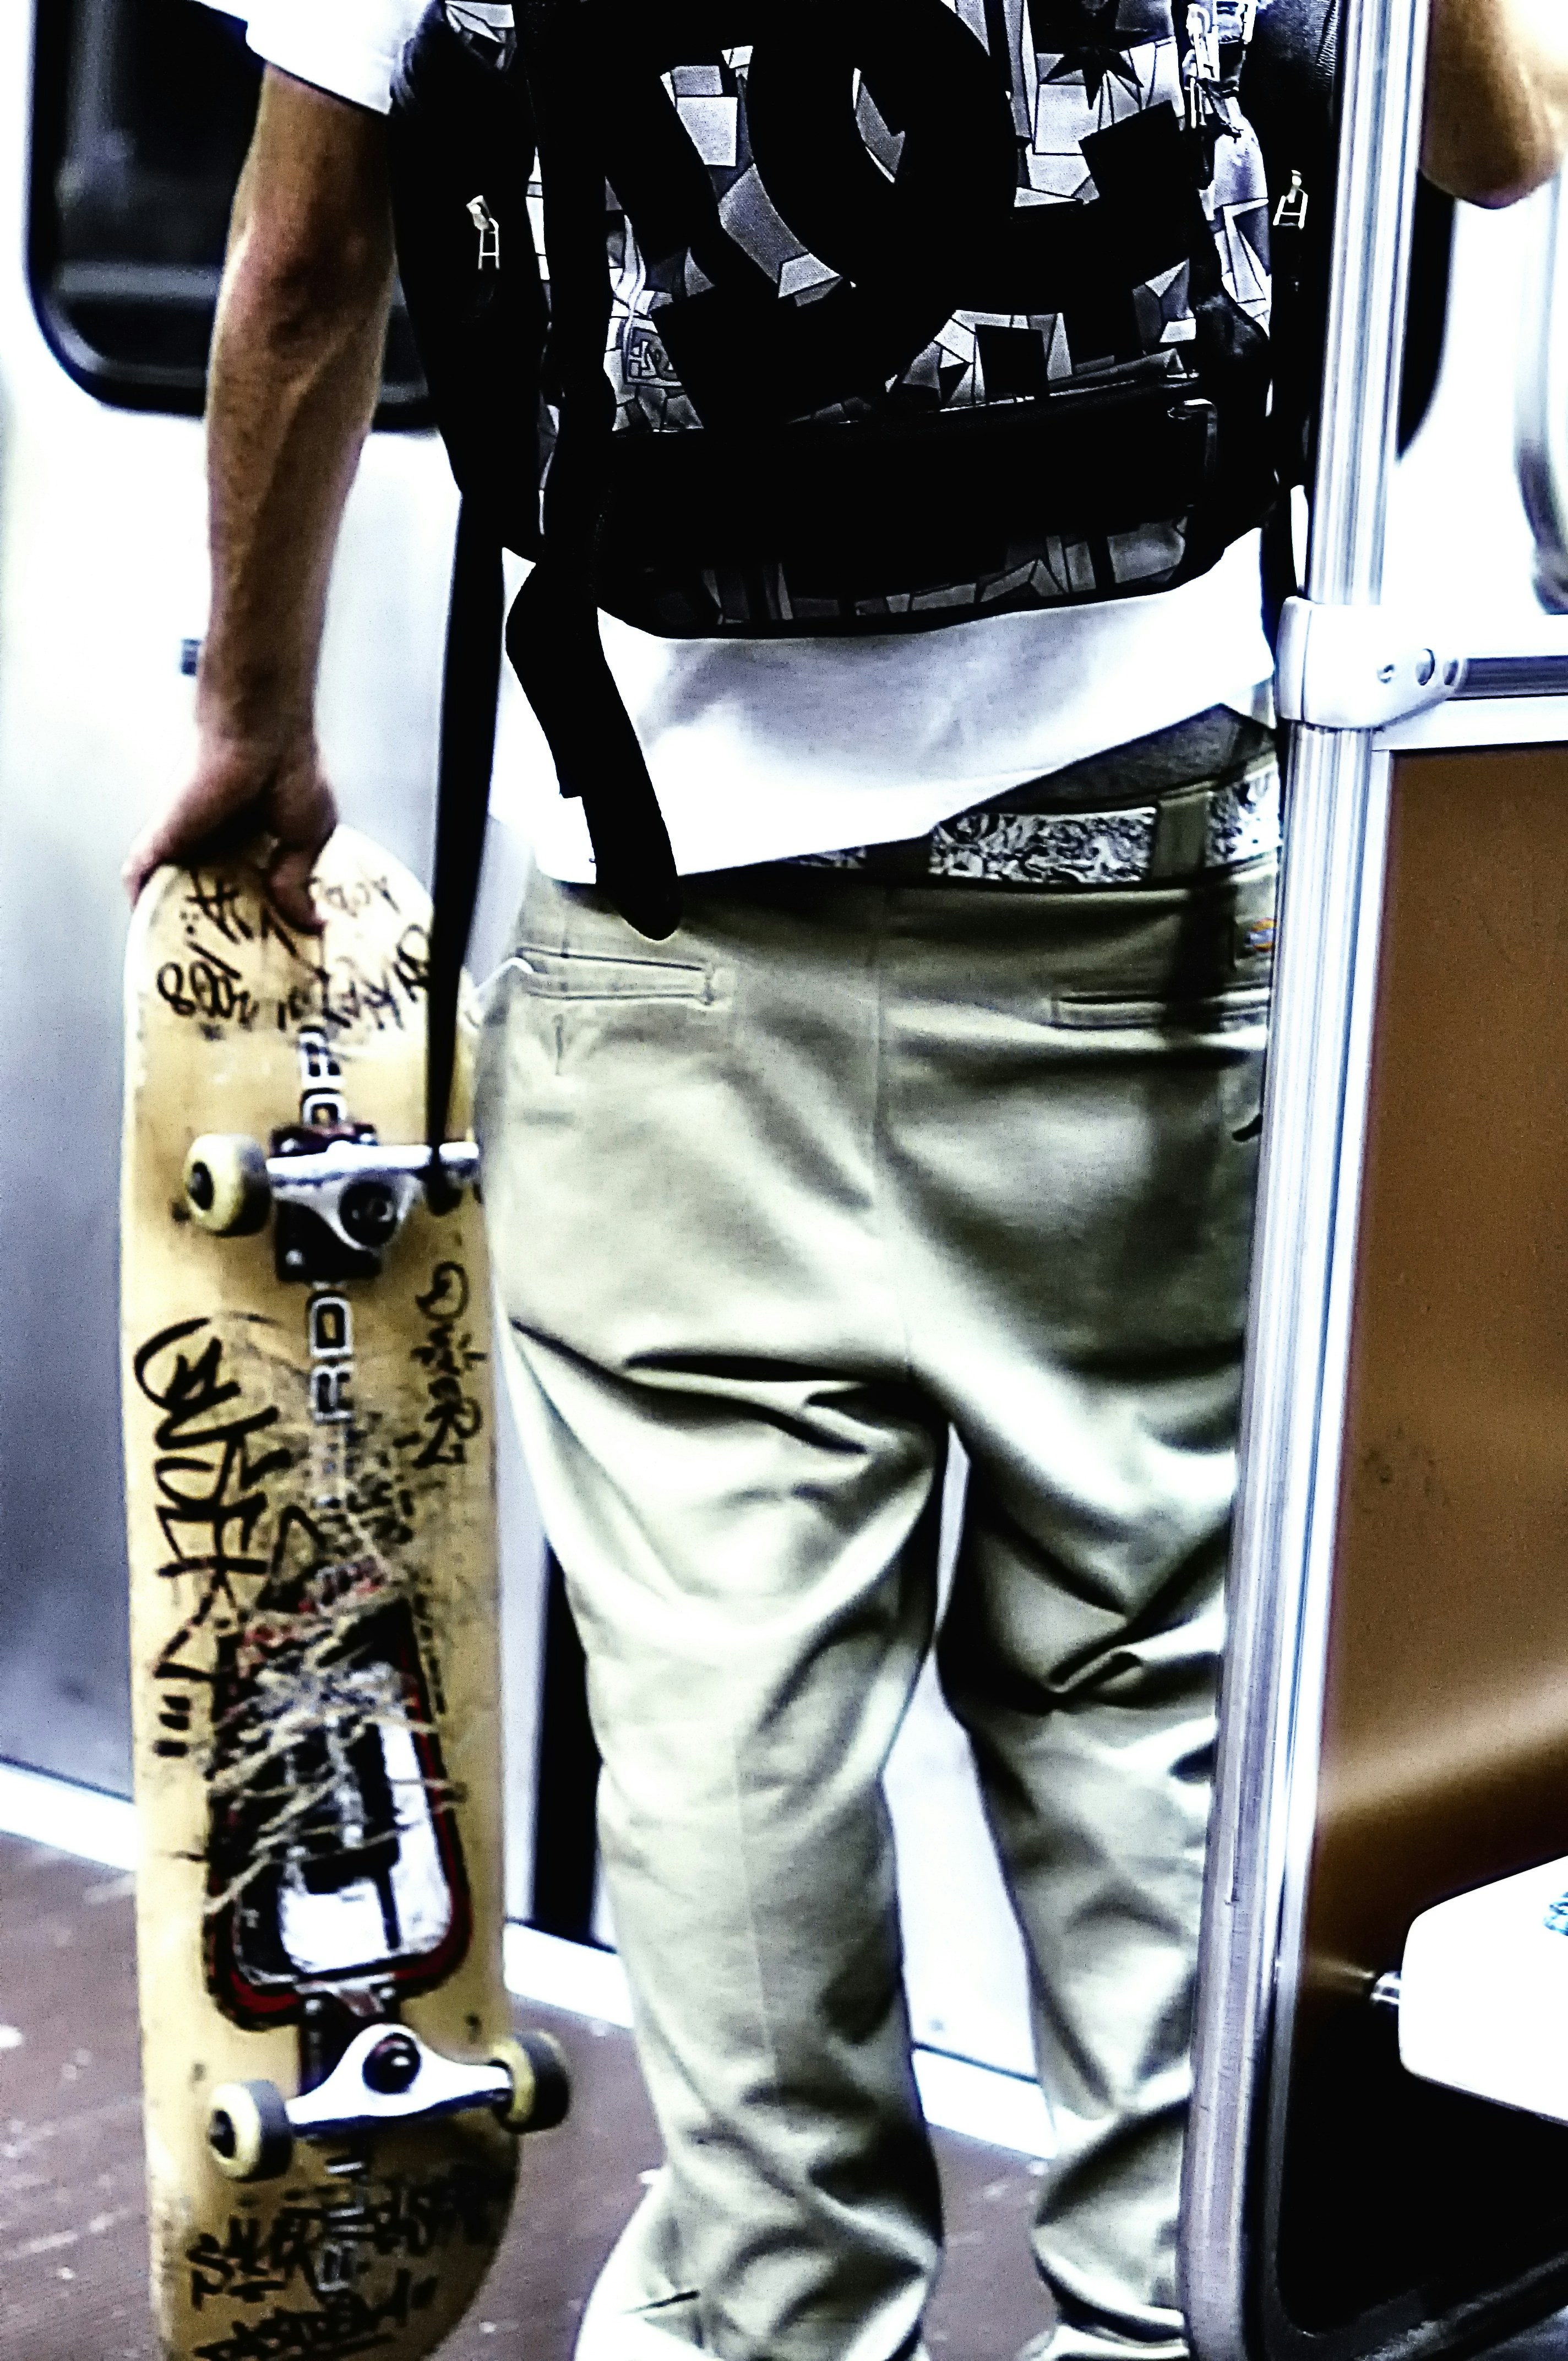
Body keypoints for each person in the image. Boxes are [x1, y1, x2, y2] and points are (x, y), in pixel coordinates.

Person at [125, 9, 1568, 2361]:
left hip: (683, 932)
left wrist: (258, 731)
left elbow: (304, 263)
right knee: (1150, 1697)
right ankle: (1152, 2310)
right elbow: (1494, 145)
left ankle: (782, 2302)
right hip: (1147, 909)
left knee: (726, 1720)